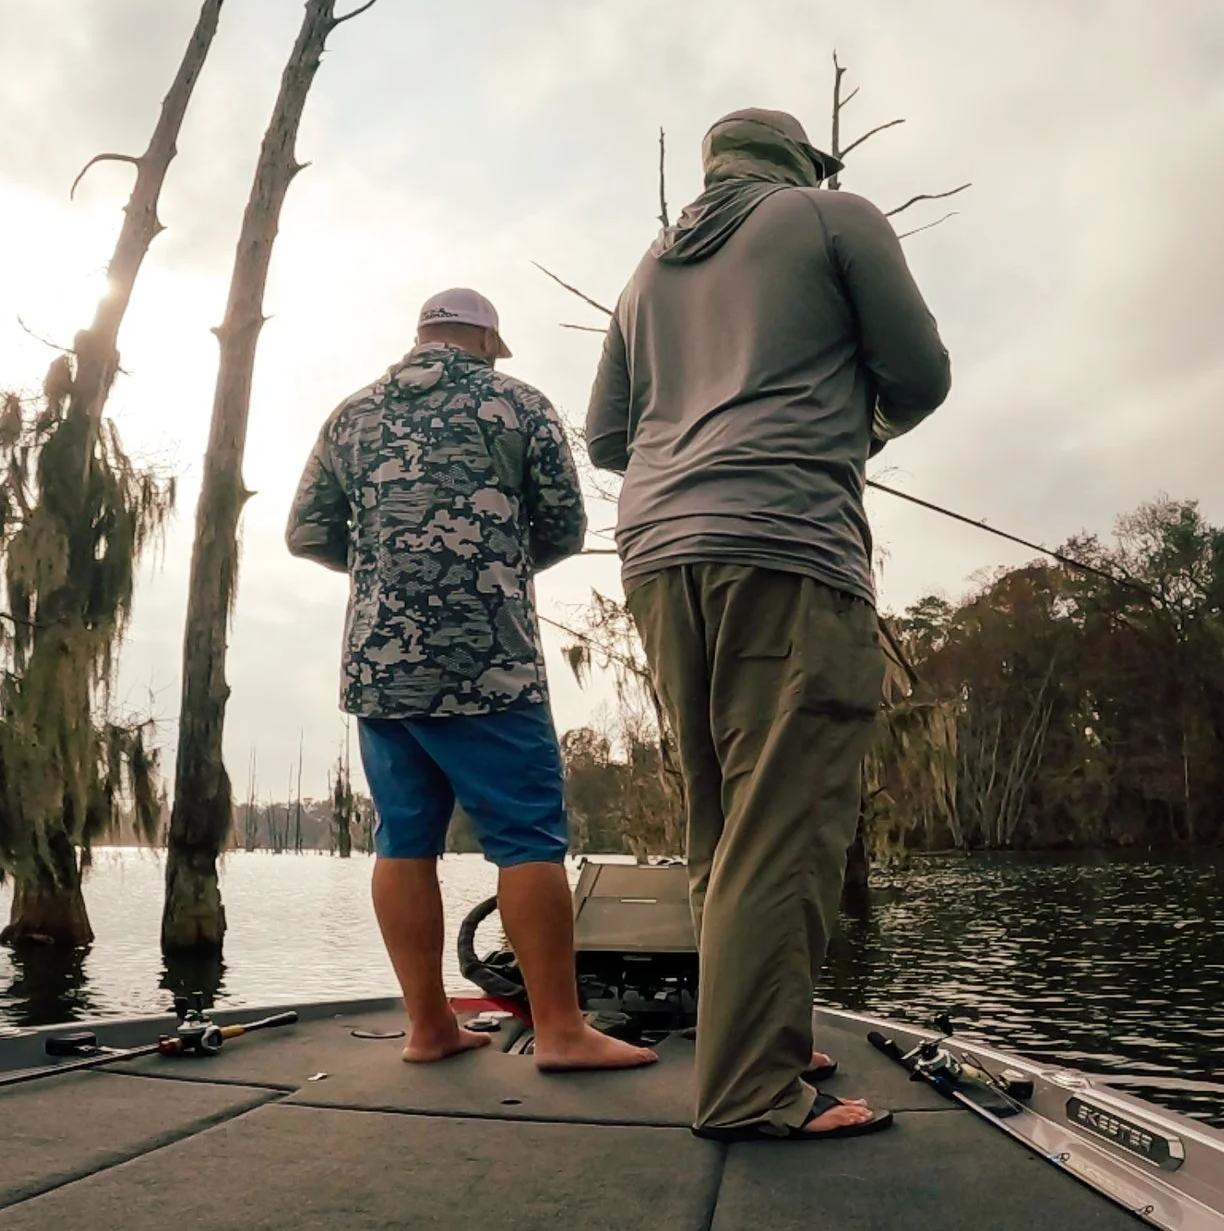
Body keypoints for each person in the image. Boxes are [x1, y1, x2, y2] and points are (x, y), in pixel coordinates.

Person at [586, 109, 951, 1140]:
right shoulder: (835, 217)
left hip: (657, 555)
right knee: (784, 819)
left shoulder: (645, 274)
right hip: (786, 541)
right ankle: (752, 1088)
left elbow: (607, 437)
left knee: (720, 816)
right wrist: (857, 427)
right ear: (797, 163)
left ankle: (757, 1036)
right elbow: (920, 377)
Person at [288, 287, 656, 1074]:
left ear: (422, 334)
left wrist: (393, 568)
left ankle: (429, 1029)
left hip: (381, 665)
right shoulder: (518, 403)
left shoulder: (351, 414)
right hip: (489, 661)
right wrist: (485, 567)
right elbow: (564, 526)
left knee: (403, 839)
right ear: (487, 339)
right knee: (526, 840)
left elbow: (306, 532)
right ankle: (560, 1033)